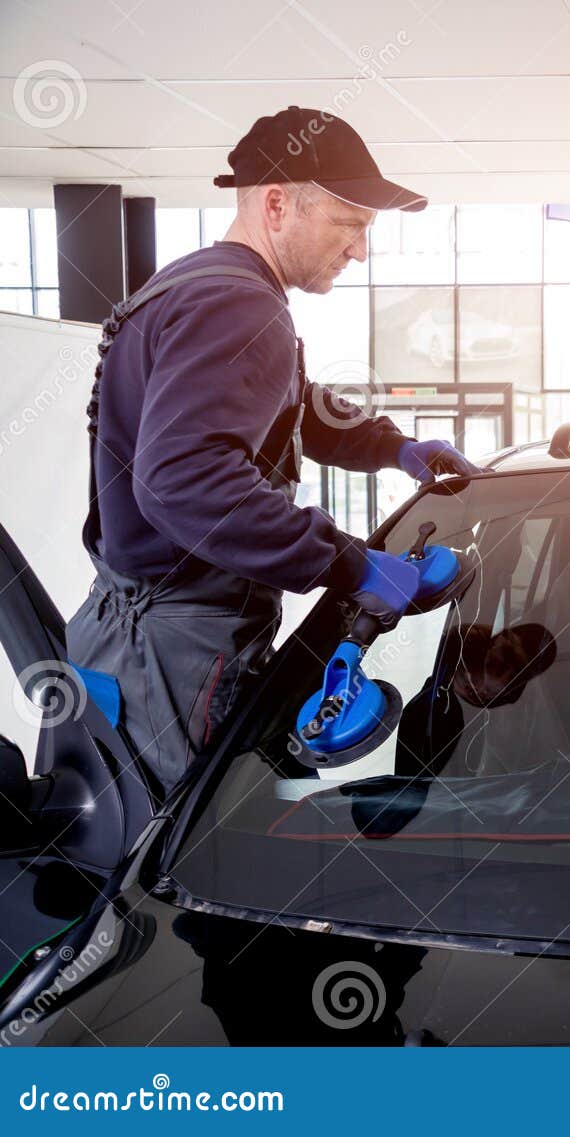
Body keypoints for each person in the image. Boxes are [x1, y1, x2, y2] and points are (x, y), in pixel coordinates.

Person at [66, 106, 481, 799]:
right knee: (179, 865)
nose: (360, 250)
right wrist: (349, 563)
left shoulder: (195, 284)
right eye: (350, 225)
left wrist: (392, 445)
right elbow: (183, 482)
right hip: (170, 657)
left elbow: (292, 402)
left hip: (128, 636)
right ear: (279, 203)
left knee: (123, 841)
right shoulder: (241, 305)